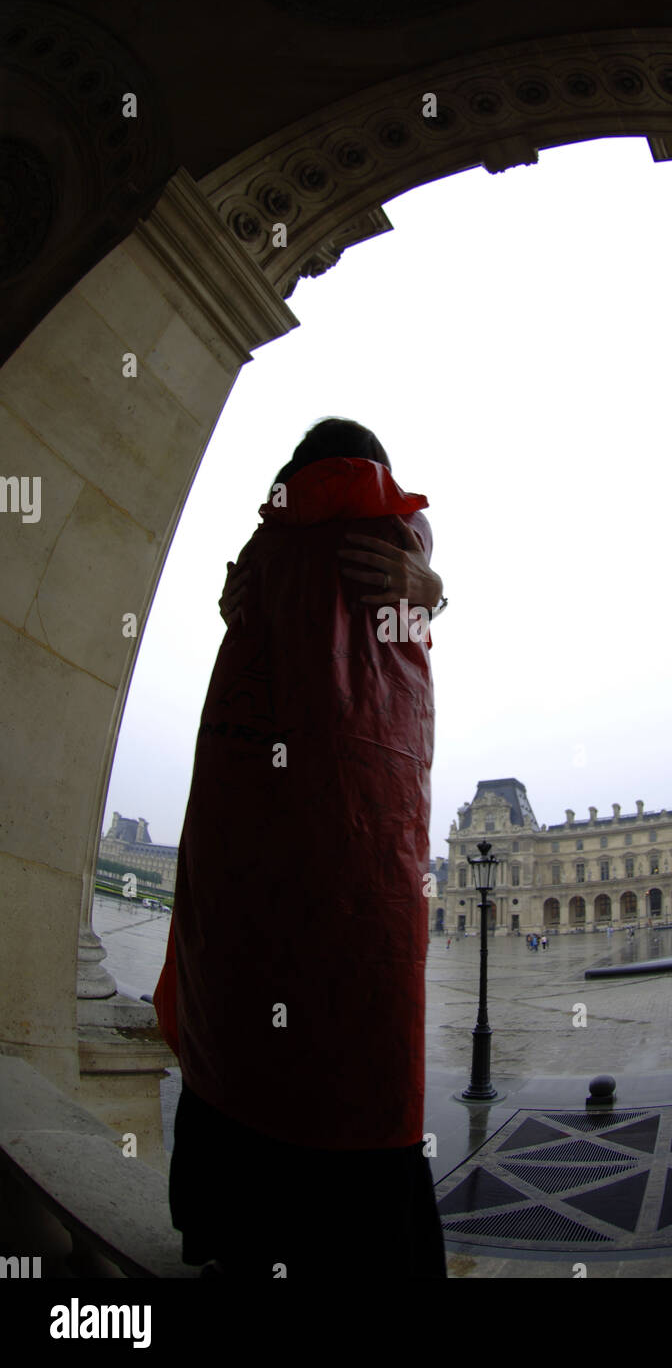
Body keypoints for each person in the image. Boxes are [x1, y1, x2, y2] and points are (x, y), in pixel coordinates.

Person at [153, 418, 447, 1279]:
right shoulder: (393, 531)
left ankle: (231, 1236)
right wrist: (433, 585)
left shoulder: (258, 553)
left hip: (236, 841)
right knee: (354, 1051)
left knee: (238, 1025)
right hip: (356, 843)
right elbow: (407, 607)